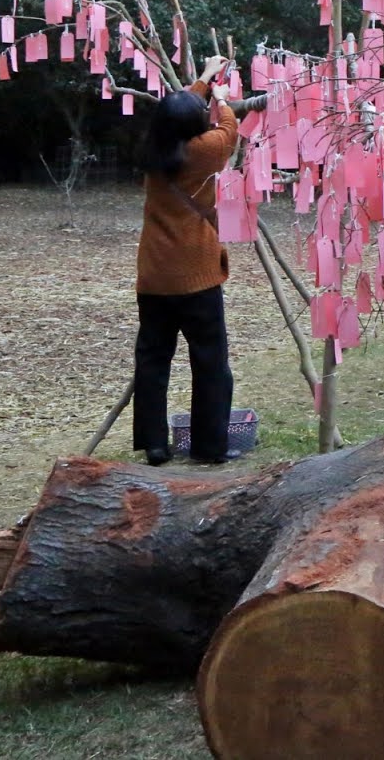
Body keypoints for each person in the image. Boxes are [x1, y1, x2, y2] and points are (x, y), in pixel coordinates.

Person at [133, 57, 241, 464]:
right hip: (197, 276)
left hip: (155, 276)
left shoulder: (154, 149)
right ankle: (210, 447)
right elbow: (228, 131)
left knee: (152, 360)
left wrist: (201, 80)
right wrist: (222, 97)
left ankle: (155, 445)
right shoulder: (204, 152)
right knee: (210, 362)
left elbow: (173, 113)